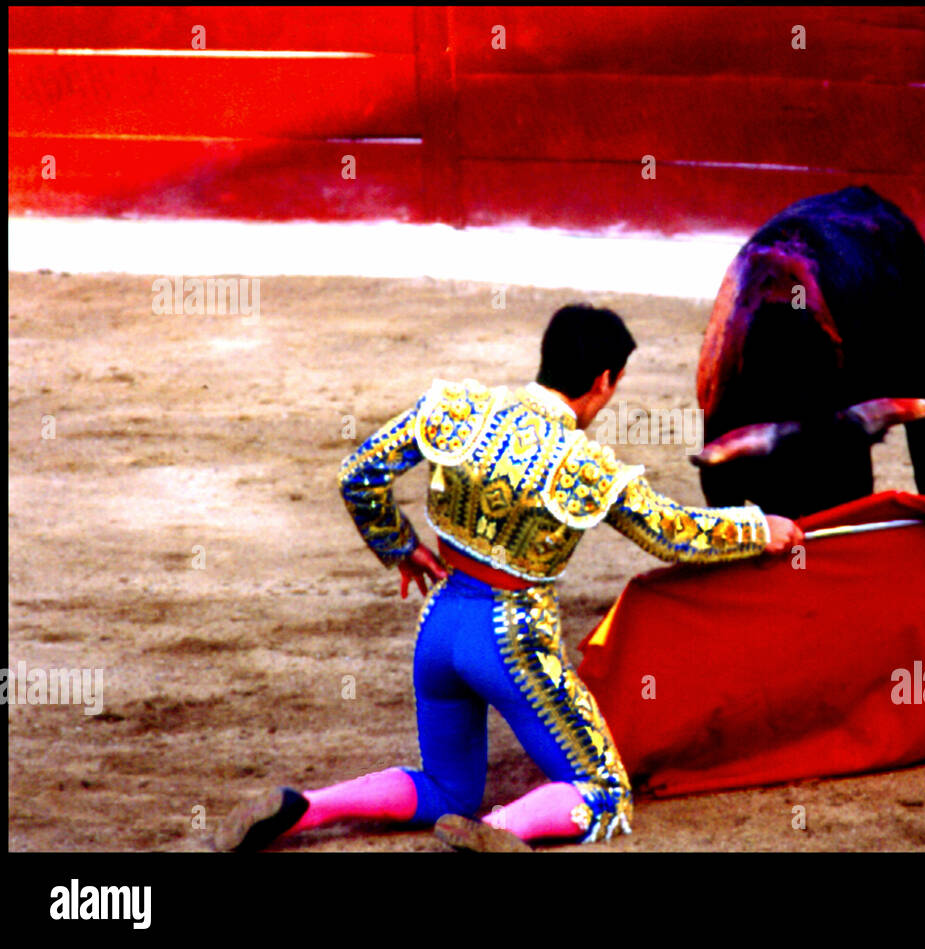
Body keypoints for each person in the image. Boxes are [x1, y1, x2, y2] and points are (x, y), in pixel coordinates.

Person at [217, 304, 803, 852]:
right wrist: (759, 528)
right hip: (509, 638)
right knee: (604, 794)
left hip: (439, 626)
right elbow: (673, 532)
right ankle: (495, 830)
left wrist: (401, 547)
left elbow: (358, 475)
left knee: (446, 788)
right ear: (604, 380)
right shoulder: (589, 467)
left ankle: (310, 807)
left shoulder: (458, 410)